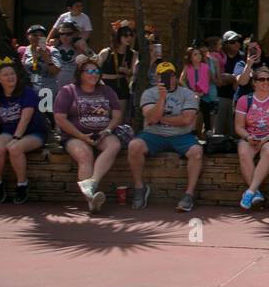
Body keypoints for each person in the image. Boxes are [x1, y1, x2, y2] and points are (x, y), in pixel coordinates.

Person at [128, 61, 203, 212]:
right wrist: (162, 98)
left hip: (181, 136)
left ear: (175, 76)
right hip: (153, 134)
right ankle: (139, 188)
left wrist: (161, 119)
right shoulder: (149, 93)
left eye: (170, 74)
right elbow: (150, 118)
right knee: (134, 146)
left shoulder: (188, 94)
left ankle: (189, 194)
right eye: (163, 75)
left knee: (196, 152)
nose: (168, 78)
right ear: (157, 78)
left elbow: (186, 120)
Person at [54, 55, 126, 213]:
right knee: (85, 155)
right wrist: (81, 136)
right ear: (80, 74)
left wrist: (106, 131)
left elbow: (116, 114)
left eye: (96, 70)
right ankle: (91, 201)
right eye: (89, 71)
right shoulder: (68, 91)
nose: (94, 74)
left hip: (102, 133)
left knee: (114, 144)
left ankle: (92, 183)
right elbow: (59, 118)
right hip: (75, 135)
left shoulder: (106, 90)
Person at [234, 67, 269, 210]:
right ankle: (257, 194)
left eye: (268, 79)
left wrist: (265, 139)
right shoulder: (245, 100)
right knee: (243, 152)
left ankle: (250, 191)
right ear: (254, 82)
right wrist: (248, 137)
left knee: (268, 151)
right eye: (262, 79)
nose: (266, 82)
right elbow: (239, 127)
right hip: (251, 137)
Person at [0, 57, 47, 204]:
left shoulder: (27, 92)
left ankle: (22, 184)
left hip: (33, 132)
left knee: (14, 148)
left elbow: (25, 119)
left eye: (12, 73)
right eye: (5, 74)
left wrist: (16, 139)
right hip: (8, 131)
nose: (10, 77)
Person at [98, 21, 137, 119]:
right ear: (118, 36)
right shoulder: (106, 52)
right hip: (105, 84)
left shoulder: (133, 54)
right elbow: (95, 69)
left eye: (130, 35)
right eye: (125, 35)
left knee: (119, 118)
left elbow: (133, 72)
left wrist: (125, 71)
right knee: (103, 116)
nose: (129, 38)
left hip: (121, 85)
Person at [181, 45, 215, 137]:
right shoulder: (188, 67)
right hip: (191, 93)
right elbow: (182, 79)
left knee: (206, 109)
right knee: (192, 110)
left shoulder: (205, 67)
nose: (199, 56)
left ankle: (208, 131)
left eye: (199, 54)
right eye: (195, 54)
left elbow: (207, 81)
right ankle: (192, 131)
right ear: (190, 57)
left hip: (203, 93)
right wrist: (189, 91)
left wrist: (202, 92)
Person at [214, 31, 243, 137]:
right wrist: (234, 77)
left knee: (234, 132)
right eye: (232, 42)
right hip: (220, 96)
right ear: (225, 44)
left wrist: (232, 78)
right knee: (218, 132)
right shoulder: (219, 57)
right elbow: (218, 79)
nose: (237, 44)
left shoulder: (242, 57)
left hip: (237, 98)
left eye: (238, 41)